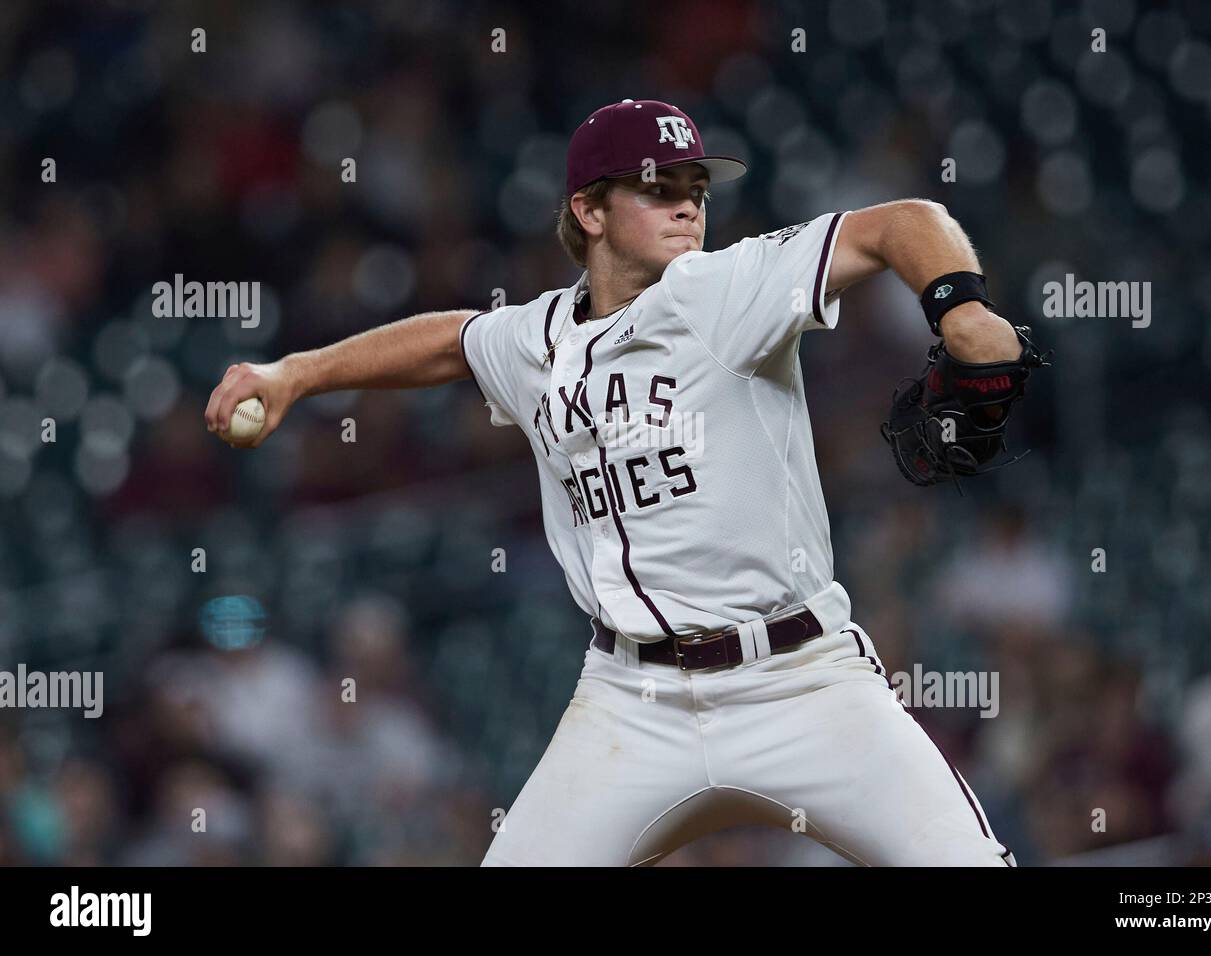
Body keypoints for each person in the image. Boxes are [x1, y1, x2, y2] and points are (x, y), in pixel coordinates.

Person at [206, 98, 1028, 866]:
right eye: (656, 188)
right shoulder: (537, 340)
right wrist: (294, 375)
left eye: (695, 188)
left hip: (800, 680)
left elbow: (902, 222)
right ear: (588, 213)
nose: (687, 207)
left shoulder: (724, 290)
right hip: (632, 701)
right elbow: (451, 340)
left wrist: (960, 306)